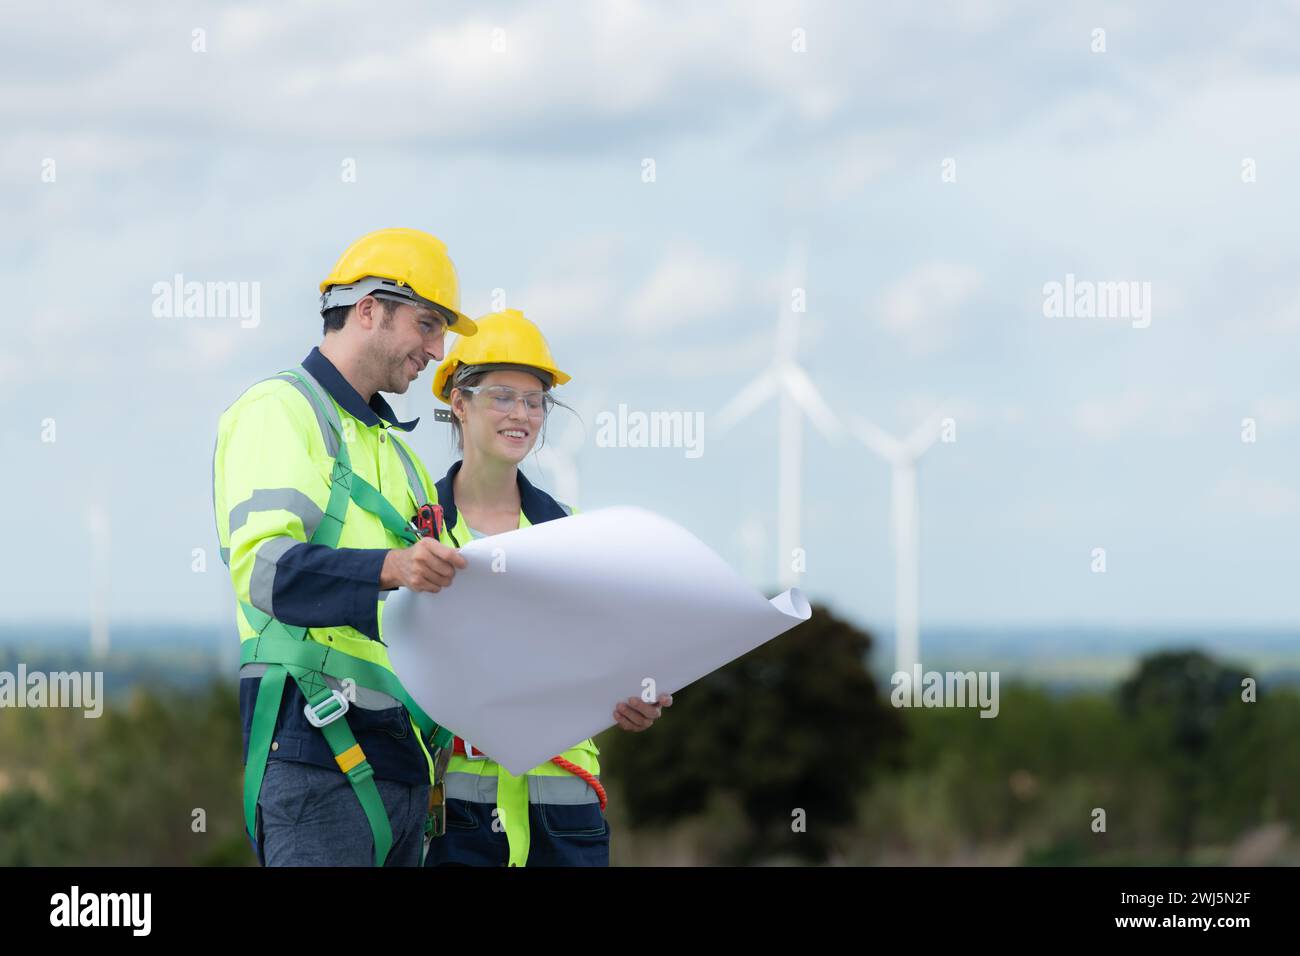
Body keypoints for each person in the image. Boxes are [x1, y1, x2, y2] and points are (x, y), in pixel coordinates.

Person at [212, 227, 473, 866]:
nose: (438, 351)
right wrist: (395, 566)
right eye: (428, 325)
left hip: (404, 766)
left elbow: (461, 610)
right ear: (367, 311)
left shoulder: (401, 456)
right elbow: (269, 573)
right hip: (314, 757)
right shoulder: (279, 411)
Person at [419, 308, 673, 868]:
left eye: (535, 402)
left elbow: (612, 653)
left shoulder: (574, 533)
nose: (523, 415)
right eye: (504, 396)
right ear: (458, 403)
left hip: (565, 807)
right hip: (454, 804)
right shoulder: (414, 530)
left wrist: (639, 693)